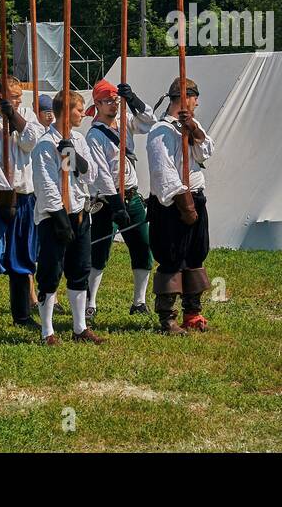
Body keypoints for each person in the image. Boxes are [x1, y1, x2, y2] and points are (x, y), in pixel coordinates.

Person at [0, 76, 44, 335]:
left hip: (24, 197)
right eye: (13, 97)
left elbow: (32, 141)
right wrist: (4, 193)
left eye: (19, 97)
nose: (18, 101)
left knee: (21, 257)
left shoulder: (25, 115)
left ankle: (22, 315)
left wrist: (14, 116)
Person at [33, 89, 104, 345]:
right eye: (78, 109)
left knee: (79, 270)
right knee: (51, 273)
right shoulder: (45, 144)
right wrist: (60, 218)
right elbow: (47, 184)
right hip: (55, 217)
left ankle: (79, 327)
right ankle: (47, 331)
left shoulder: (78, 140)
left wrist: (73, 155)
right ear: (65, 111)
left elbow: (89, 175)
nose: (83, 114)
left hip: (80, 213)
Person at [145, 77, 215, 335]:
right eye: (194, 97)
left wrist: (193, 130)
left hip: (195, 196)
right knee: (171, 257)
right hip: (172, 203)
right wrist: (184, 204)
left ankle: (193, 313)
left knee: (196, 254)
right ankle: (167, 318)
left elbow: (205, 152)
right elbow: (162, 171)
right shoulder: (159, 131)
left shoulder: (188, 125)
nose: (196, 102)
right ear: (185, 98)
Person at [83, 79, 154, 324]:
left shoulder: (125, 122)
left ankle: (139, 301)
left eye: (115, 100)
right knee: (99, 252)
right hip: (107, 200)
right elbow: (101, 174)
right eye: (107, 101)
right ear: (97, 104)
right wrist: (116, 206)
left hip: (132, 195)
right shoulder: (94, 135)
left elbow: (148, 122)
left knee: (142, 247)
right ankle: (90, 304)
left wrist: (133, 100)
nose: (113, 105)